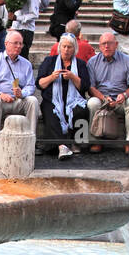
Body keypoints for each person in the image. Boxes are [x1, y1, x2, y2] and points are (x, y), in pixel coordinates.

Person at [86, 31, 129, 156]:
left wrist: (125, 94)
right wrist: (103, 98)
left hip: (120, 99)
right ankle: (96, 140)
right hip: (102, 99)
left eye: (110, 43)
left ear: (116, 44)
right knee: (92, 103)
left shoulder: (127, 60)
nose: (107, 46)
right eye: (104, 44)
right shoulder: (92, 62)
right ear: (99, 46)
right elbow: (90, 87)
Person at [37, 32, 90, 160]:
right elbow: (40, 84)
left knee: (81, 110)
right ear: (59, 47)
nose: (66, 50)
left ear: (74, 49)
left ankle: (77, 143)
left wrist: (73, 77)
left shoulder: (81, 64)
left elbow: (85, 86)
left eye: (69, 47)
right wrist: (52, 77)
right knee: (50, 110)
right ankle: (62, 145)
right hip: (53, 100)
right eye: (64, 46)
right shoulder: (49, 61)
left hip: (74, 100)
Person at [0, 30, 39, 142]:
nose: (18, 46)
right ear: (6, 44)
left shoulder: (26, 63)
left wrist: (22, 93)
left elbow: (31, 86)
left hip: (17, 100)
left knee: (33, 100)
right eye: (15, 43)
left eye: (20, 44)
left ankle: (31, 139)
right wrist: (0, 94)